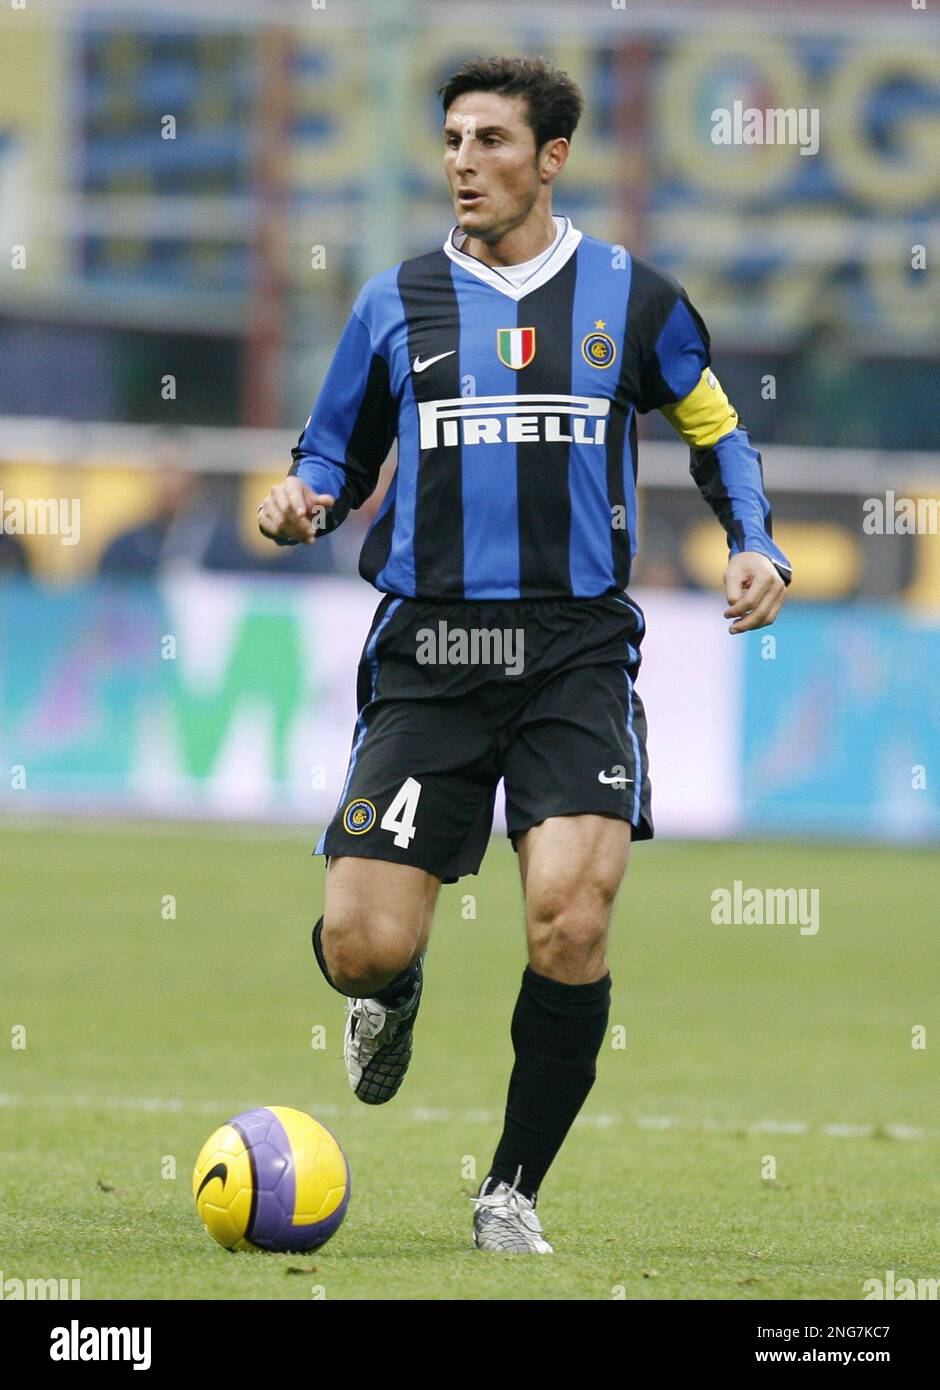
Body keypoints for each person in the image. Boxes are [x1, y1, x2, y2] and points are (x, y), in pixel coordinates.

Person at [258, 55, 791, 1254]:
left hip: (573, 650)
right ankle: (387, 995)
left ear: (551, 158)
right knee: (360, 942)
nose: (463, 162)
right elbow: (329, 457)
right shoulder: (395, 301)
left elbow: (718, 432)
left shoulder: (631, 298)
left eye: (492, 141)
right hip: (432, 647)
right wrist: (297, 501)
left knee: (570, 917)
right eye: (452, 139)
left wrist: (755, 543)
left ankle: (509, 1189)